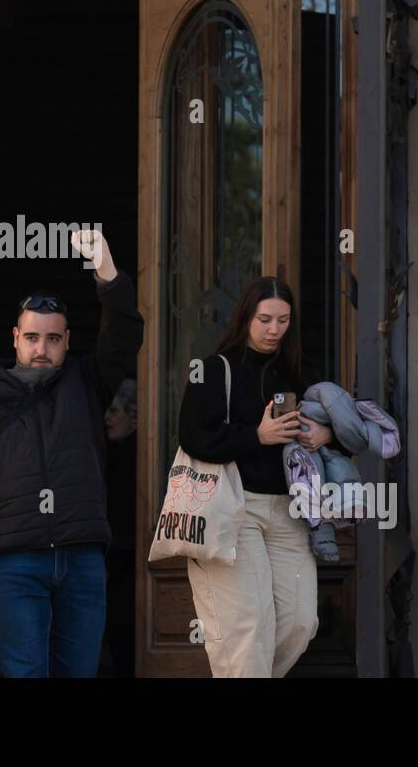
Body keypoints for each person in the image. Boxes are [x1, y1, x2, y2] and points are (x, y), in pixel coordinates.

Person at [0, 229, 144, 677]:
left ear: (67, 340)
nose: (41, 349)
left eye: (52, 339)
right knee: (25, 673)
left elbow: (124, 333)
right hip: (11, 559)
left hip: (81, 556)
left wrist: (106, 269)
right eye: (32, 338)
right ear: (15, 337)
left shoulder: (88, 381)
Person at [176, 276, 329, 677]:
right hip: (235, 509)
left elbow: (344, 426)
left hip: (290, 513)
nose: (274, 329)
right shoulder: (215, 370)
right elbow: (194, 436)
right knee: (248, 629)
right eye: (264, 319)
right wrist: (256, 436)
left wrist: (325, 433)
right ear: (245, 317)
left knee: (300, 621)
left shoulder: (300, 372)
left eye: (283, 320)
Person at [103, 378, 138, 676]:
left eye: (114, 411)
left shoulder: (139, 458)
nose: (107, 418)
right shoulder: (111, 453)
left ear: (135, 417)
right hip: (116, 561)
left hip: (130, 562)